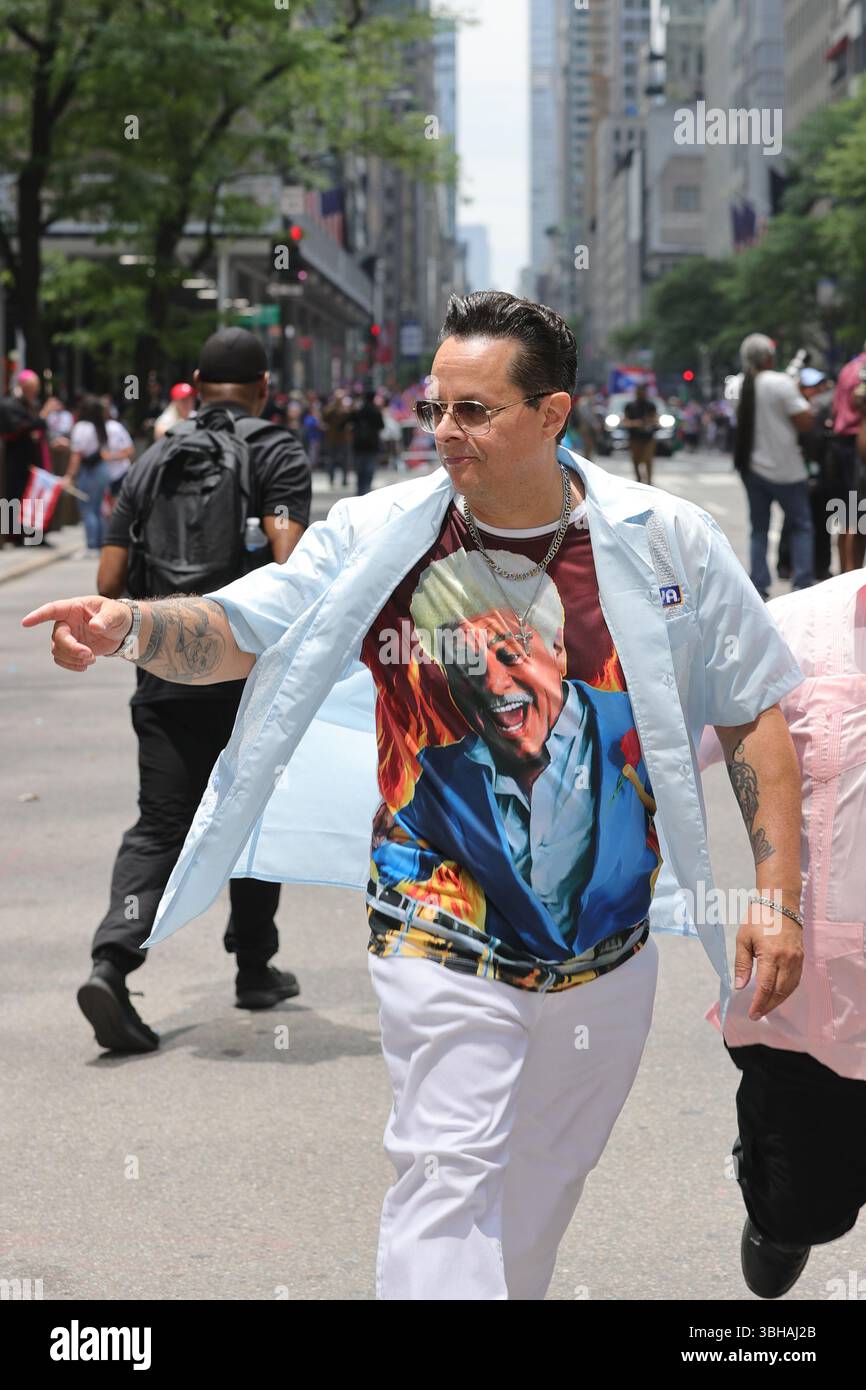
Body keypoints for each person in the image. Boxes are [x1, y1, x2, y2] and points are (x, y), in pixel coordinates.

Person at [23, 292, 807, 1299]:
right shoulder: (382, 533)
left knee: (540, 1185)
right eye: (435, 406)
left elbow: (751, 710)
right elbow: (242, 623)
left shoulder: (664, 540)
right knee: (446, 1175)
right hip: (434, 923)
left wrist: (776, 893)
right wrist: (126, 623)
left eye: (474, 410)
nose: (444, 430)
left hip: (604, 950)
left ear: (552, 415)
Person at [64, 329, 312, 1054]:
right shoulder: (277, 451)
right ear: (264, 387)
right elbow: (291, 564)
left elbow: (108, 585)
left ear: (197, 382)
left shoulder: (150, 460)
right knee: (255, 810)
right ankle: (255, 967)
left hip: (165, 668)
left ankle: (112, 962)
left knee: (160, 825)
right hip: (249, 674)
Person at [698, 570, 866, 1298]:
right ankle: (777, 1210)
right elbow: (659, 743)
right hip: (813, 1006)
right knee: (804, 1210)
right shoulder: (795, 628)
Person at [733, 334, 815, 601]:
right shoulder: (780, 383)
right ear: (769, 357)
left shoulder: (737, 385)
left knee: (759, 529)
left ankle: (759, 584)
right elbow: (805, 421)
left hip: (752, 468)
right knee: (801, 525)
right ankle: (801, 582)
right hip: (786, 468)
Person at [777, 368, 836, 584]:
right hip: (795, 471)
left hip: (820, 472)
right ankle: (787, 564)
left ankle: (821, 566)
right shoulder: (795, 410)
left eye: (820, 385)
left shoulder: (823, 408)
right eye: (812, 386)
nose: (817, 390)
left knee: (821, 519)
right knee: (795, 519)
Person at [61, 397, 135, 551]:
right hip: (103, 469)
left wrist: (69, 476)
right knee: (99, 508)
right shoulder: (100, 426)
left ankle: (92, 545)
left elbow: (77, 454)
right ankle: (103, 542)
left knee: (88, 509)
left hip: (90, 470)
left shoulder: (81, 427)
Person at [829, 340, 866, 573]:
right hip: (857, 449)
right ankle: (852, 578)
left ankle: (847, 575)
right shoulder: (862, 371)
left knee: (849, 517)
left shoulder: (848, 368)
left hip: (844, 446)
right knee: (857, 520)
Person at [0, 369, 48, 545]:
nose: (34, 392)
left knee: (34, 496)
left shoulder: (32, 404)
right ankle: (13, 536)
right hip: (14, 459)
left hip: (32, 457)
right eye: (31, 388)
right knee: (13, 495)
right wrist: (39, 420)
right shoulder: (9, 404)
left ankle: (34, 535)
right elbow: (14, 428)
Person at [347, 389, 384, 495]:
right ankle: (366, 489)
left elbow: (348, 420)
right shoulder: (375, 411)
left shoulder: (359, 411)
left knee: (359, 469)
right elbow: (381, 426)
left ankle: (360, 489)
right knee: (369, 468)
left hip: (358, 444)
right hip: (371, 444)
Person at [622, 382, 659, 484]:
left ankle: (649, 481)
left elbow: (656, 420)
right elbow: (625, 421)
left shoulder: (650, 405)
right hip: (634, 438)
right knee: (636, 460)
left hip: (648, 438)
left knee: (648, 460)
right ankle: (638, 479)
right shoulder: (630, 406)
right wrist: (636, 423)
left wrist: (648, 422)